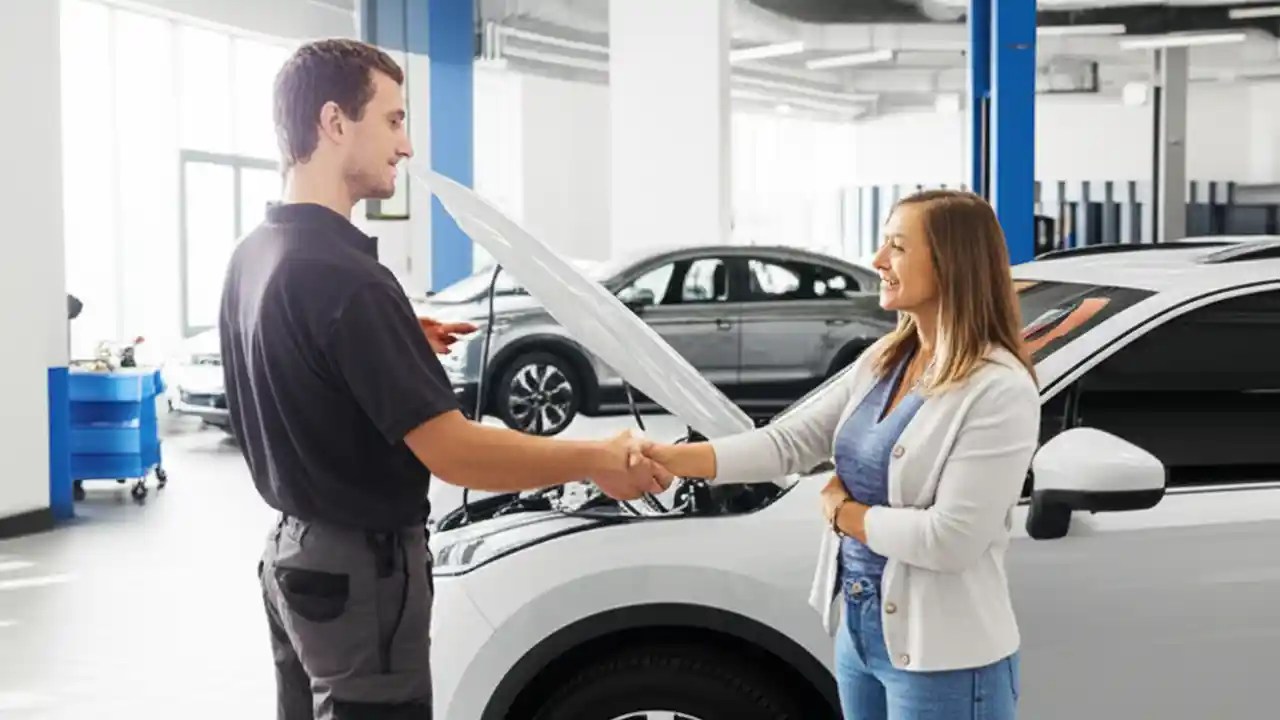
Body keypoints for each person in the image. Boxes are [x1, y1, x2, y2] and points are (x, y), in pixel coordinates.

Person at [219, 39, 672, 720]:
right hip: (358, 568)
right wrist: (594, 456)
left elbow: (296, 359)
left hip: (294, 555)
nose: (405, 147)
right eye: (394, 120)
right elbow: (455, 452)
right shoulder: (348, 283)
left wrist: (397, 336)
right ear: (335, 122)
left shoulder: (256, 255)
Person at [633, 189, 1040, 719]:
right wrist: (668, 458)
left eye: (897, 246)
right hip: (860, 632)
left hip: (946, 658)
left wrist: (845, 515)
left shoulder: (999, 389)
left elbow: (951, 541)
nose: (877, 262)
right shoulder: (887, 357)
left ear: (952, 263)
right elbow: (789, 442)